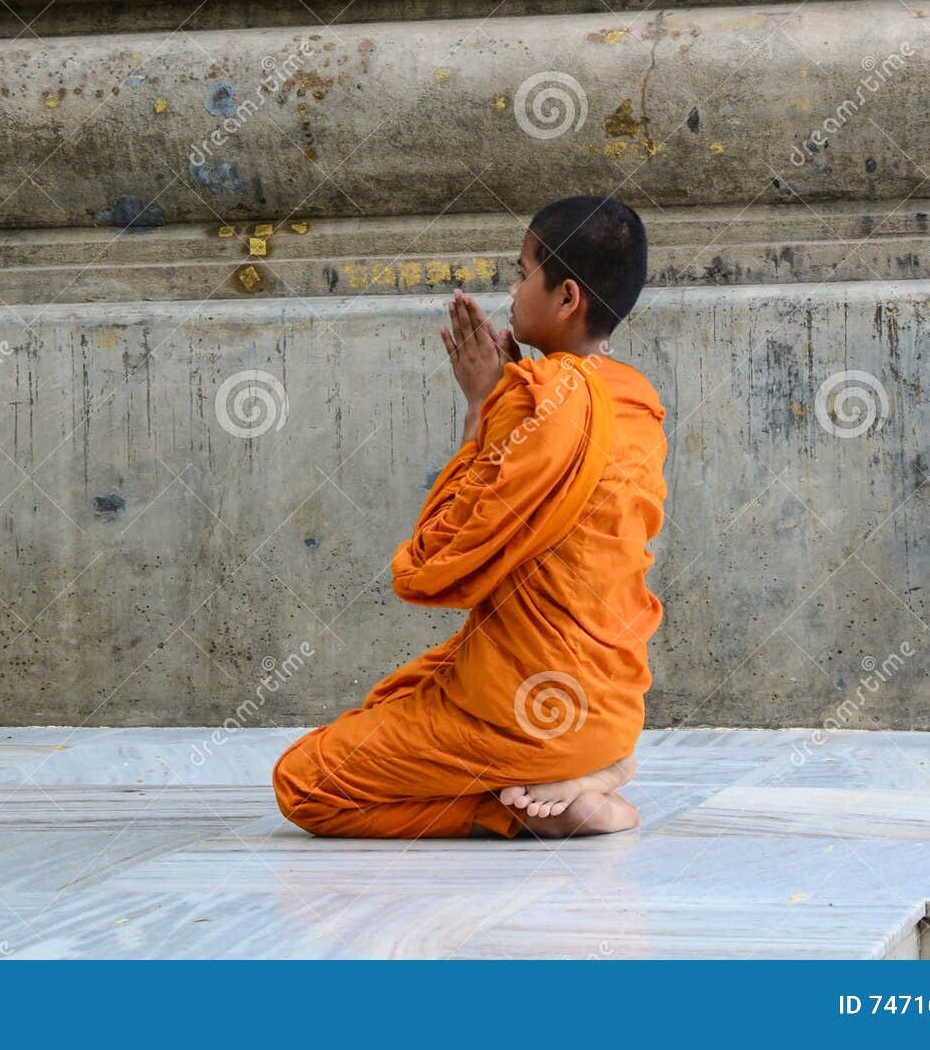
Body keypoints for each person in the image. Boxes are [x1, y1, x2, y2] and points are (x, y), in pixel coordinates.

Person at [272, 195, 668, 838]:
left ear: (566, 298)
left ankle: (523, 804)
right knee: (407, 695)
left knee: (303, 783)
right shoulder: (635, 399)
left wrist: (480, 411)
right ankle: (589, 774)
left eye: (522, 270)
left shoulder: (526, 403)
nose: (510, 291)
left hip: (521, 715)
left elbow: (433, 565)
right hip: (610, 706)